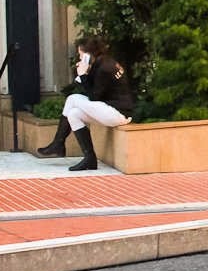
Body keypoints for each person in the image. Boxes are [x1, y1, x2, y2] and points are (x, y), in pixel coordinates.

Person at [36, 35, 135, 171]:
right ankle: (89, 158)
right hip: (110, 109)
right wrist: (85, 73)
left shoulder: (104, 67)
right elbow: (95, 92)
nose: (80, 59)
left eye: (81, 56)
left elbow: (94, 96)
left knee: (72, 99)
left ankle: (58, 142)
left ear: (89, 55)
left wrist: (83, 75)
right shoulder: (103, 63)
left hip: (118, 113)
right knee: (74, 114)